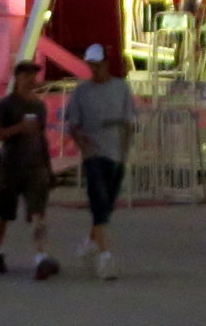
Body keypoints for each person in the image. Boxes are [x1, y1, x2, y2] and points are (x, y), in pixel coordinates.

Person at [61, 44, 135, 280]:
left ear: (106, 63)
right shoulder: (82, 92)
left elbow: (129, 123)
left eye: (97, 65)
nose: (93, 69)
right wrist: (84, 147)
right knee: (99, 202)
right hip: (94, 156)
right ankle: (105, 256)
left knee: (106, 207)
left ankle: (90, 243)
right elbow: (73, 125)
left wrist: (125, 153)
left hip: (116, 155)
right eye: (90, 65)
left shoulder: (121, 88)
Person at [0, 60, 57, 279]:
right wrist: (19, 128)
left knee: (38, 215)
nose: (31, 80)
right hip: (10, 167)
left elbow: (42, 137)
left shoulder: (39, 106)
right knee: (3, 214)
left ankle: (41, 258)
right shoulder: (6, 105)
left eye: (33, 76)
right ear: (17, 79)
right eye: (26, 76)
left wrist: (49, 169)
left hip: (35, 168)